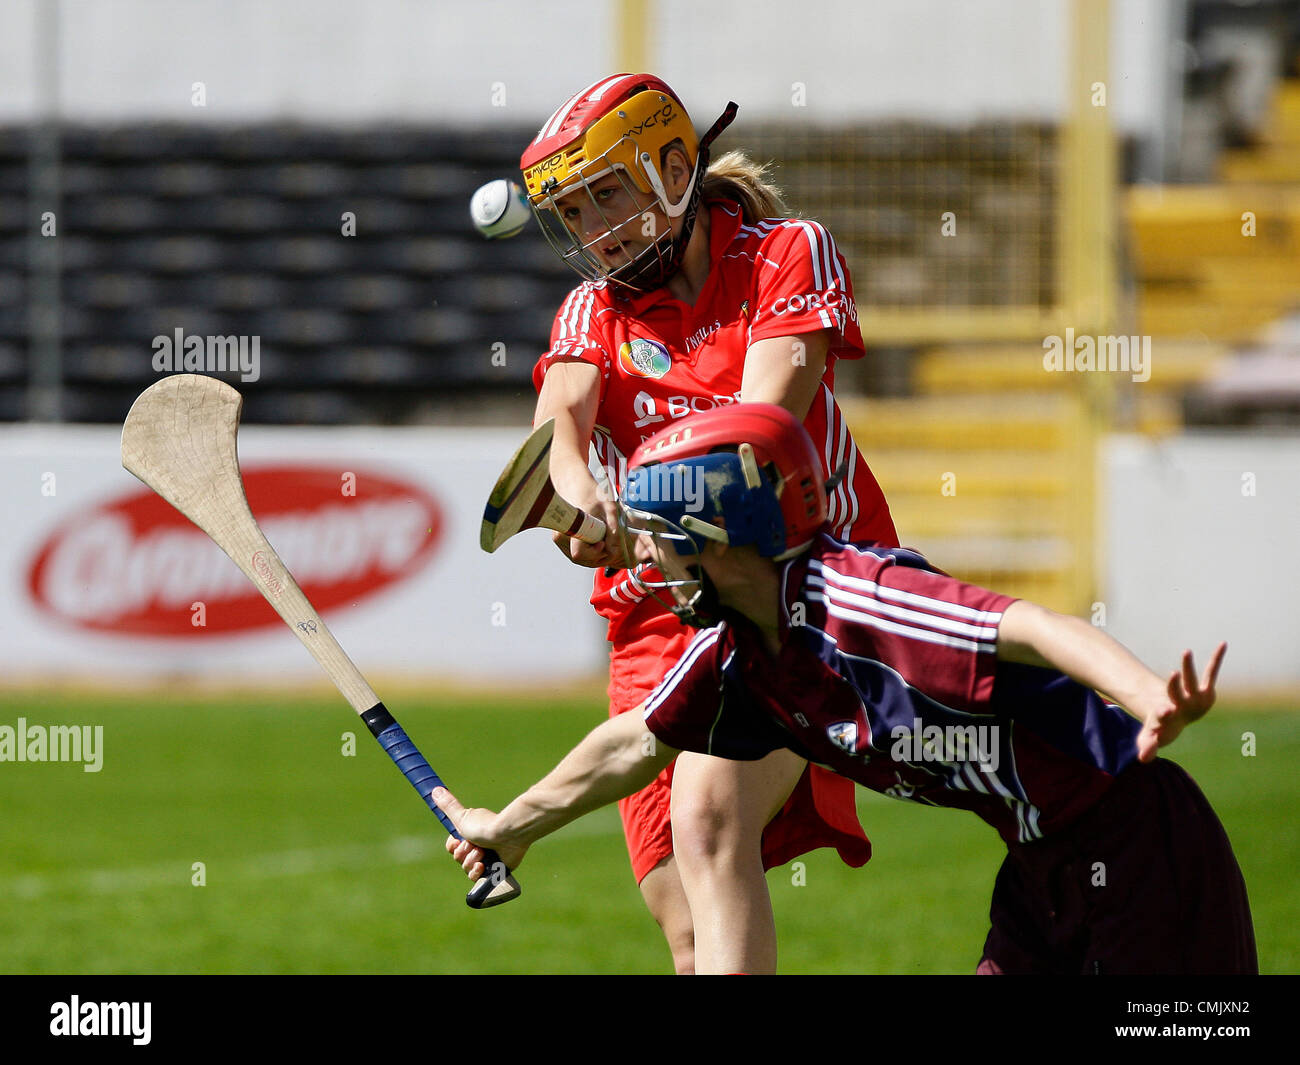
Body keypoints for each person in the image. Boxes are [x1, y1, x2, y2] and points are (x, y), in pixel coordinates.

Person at [439, 403, 1257, 975]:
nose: (648, 563)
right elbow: (635, 741)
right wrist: (511, 828)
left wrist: (1148, 693)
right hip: (1039, 863)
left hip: (1141, 846)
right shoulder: (741, 649)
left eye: (663, 542)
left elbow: (1033, 627)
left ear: (718, 538)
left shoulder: (862, 599)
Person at [517, 73, 899, 973]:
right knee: (685, 923)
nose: (593, 229)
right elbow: (558, 434)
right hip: (659, 614)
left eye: (606, 193)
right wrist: (579, 503)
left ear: (672, 168)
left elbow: (762, 431)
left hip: (796, 590)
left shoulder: (787, 254)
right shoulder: (589, 312)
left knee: (710, 815)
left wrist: (650, 519)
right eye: (571, 213)